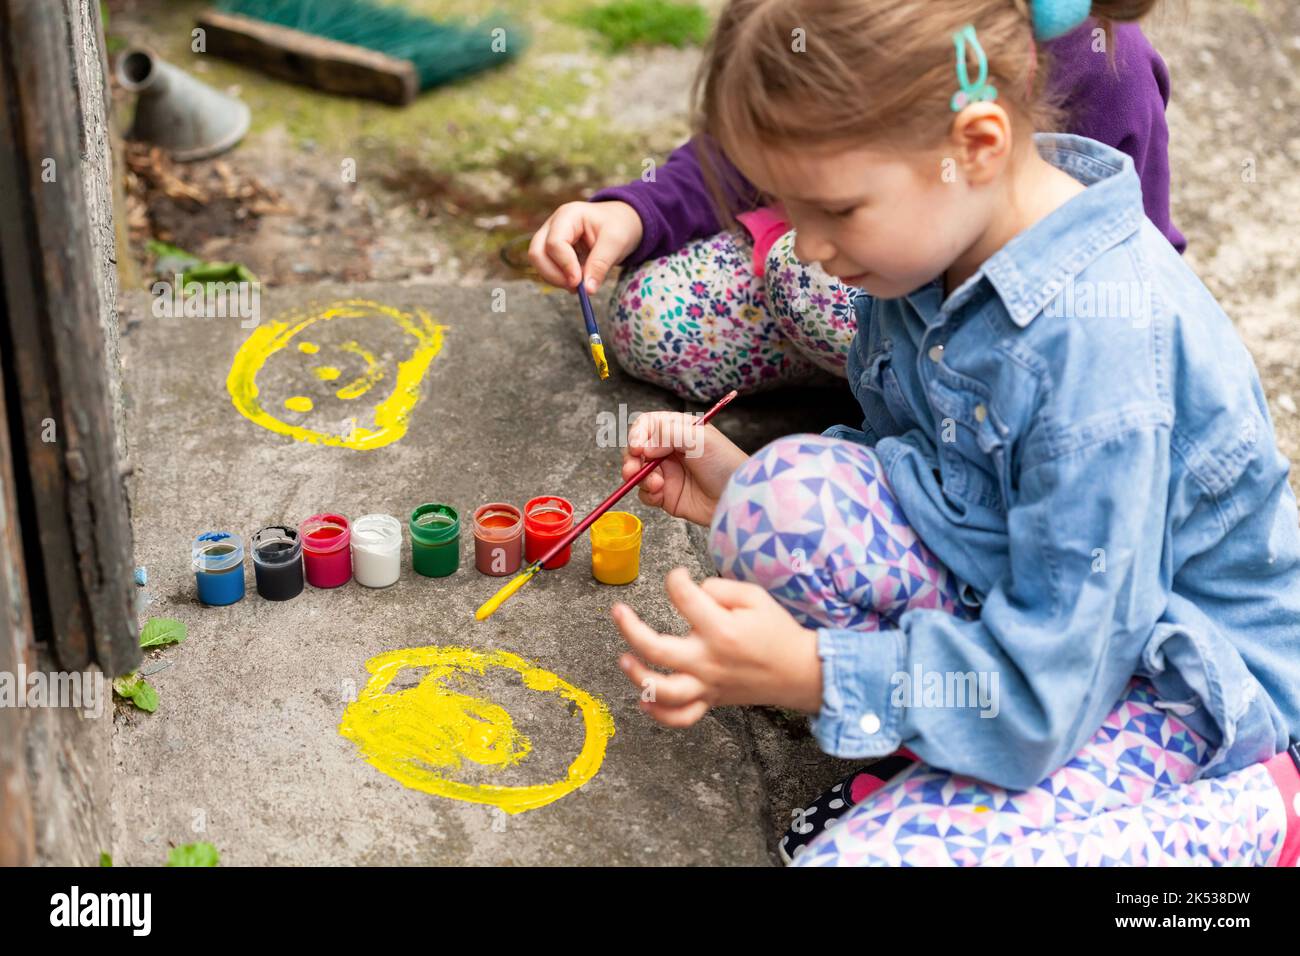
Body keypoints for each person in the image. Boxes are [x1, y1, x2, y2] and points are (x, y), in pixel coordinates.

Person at [604, 0, 1300, 866]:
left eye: (837, 210)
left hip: (1179, 685)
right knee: (775, 506)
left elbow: (1056, 685)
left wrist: (819, 674)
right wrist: (738, 475)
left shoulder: (1096, 353)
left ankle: (1252, 821)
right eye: (791, 207)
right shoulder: (934, 253)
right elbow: (945, 471)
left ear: (975, 144)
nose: (807, 247)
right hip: (1056, 619)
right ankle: (959, 761)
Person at [531, 6, 1184, 402]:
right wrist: (638, 211)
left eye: (837, 209)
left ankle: (912, 403)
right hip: (876, 278)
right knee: (649, 320)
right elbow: (763, 140)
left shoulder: (1100, 62)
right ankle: (880, 382)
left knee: (804, 271)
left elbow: (1141, 260)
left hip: (1008, 331)